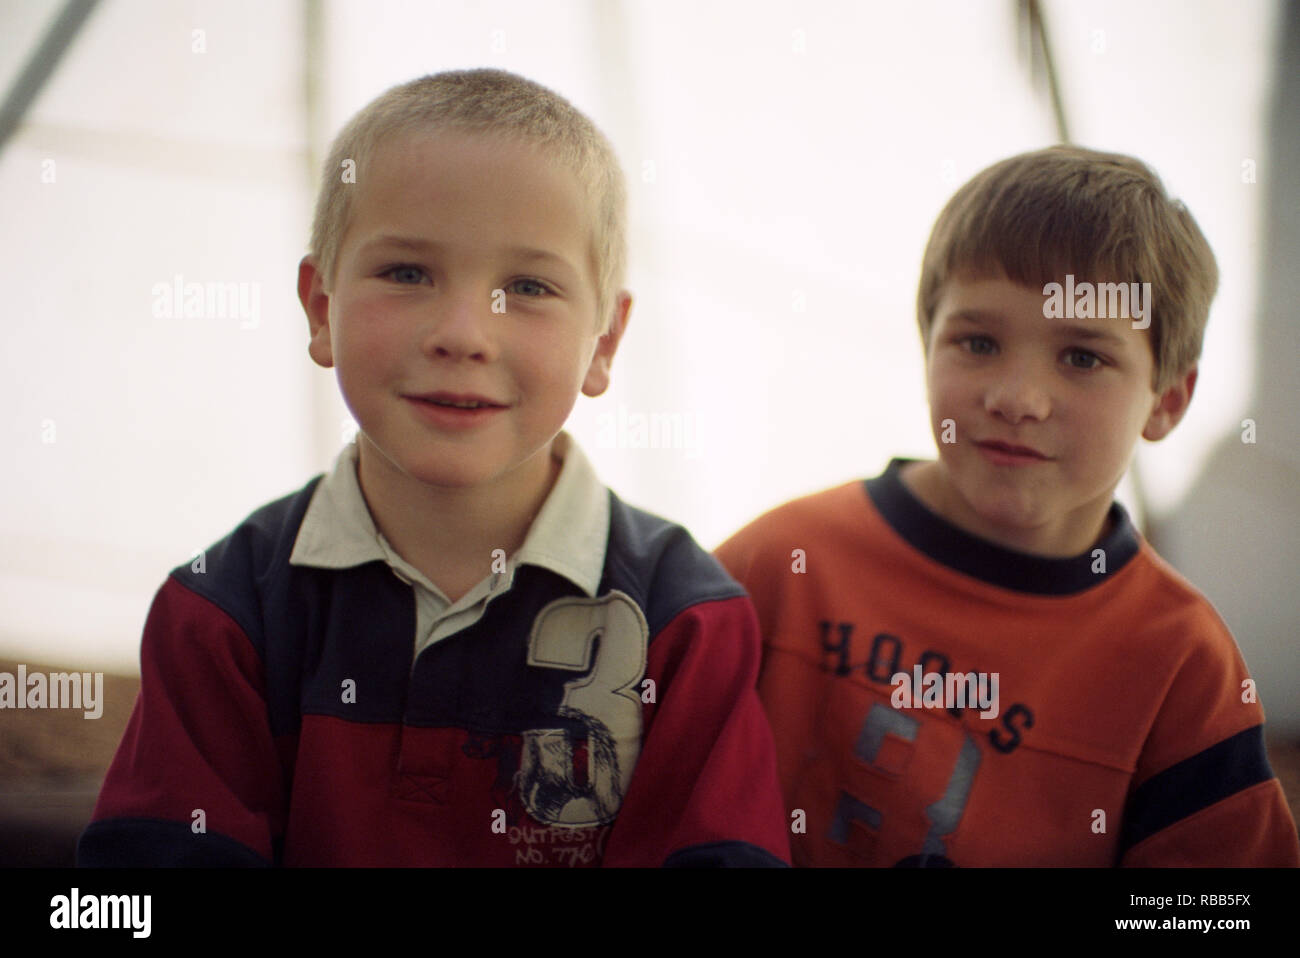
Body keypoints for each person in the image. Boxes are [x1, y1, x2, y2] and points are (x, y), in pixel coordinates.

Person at [78, 68, 789, 867]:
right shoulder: (224, 610)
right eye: (407, 274)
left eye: (527, 286)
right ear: (321, 308)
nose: (462, 334)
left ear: (605, 342)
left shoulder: (688, 623)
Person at [715, 145, 1300, 867]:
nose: (1017, 398)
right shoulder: (783, 560)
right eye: (979, 342)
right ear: (926, 346)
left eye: (1082, 357)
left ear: (1167, 401)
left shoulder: (1182, 667)